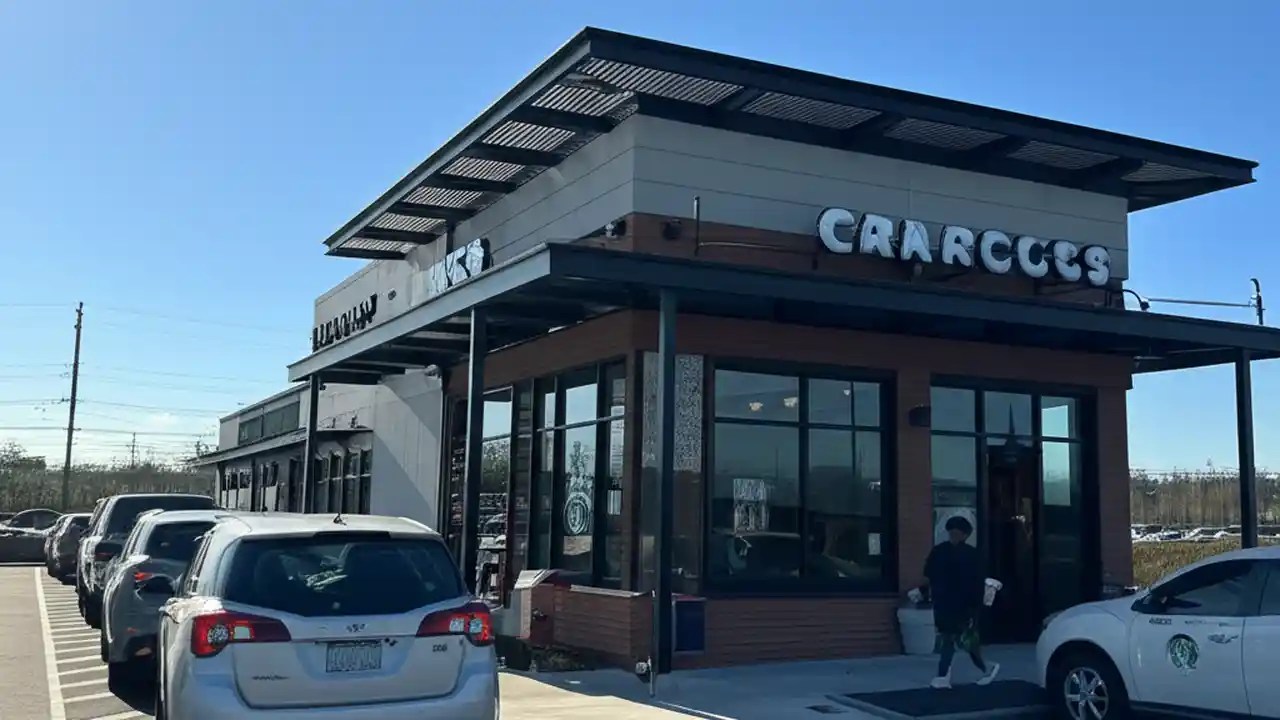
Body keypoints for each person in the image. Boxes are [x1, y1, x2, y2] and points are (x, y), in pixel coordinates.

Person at [912, 516, 999, 689]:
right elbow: (928, 576)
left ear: (964, 535)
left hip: (961, 604)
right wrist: (923, 592)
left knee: (957, 640)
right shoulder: (942, 552)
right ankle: (955, 673)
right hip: (945, 602)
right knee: (955, 640)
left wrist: (975, 607)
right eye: (952, 532)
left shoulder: (968, 555)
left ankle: (948, 674)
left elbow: (976, 584)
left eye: (957, 532)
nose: (954, 535)